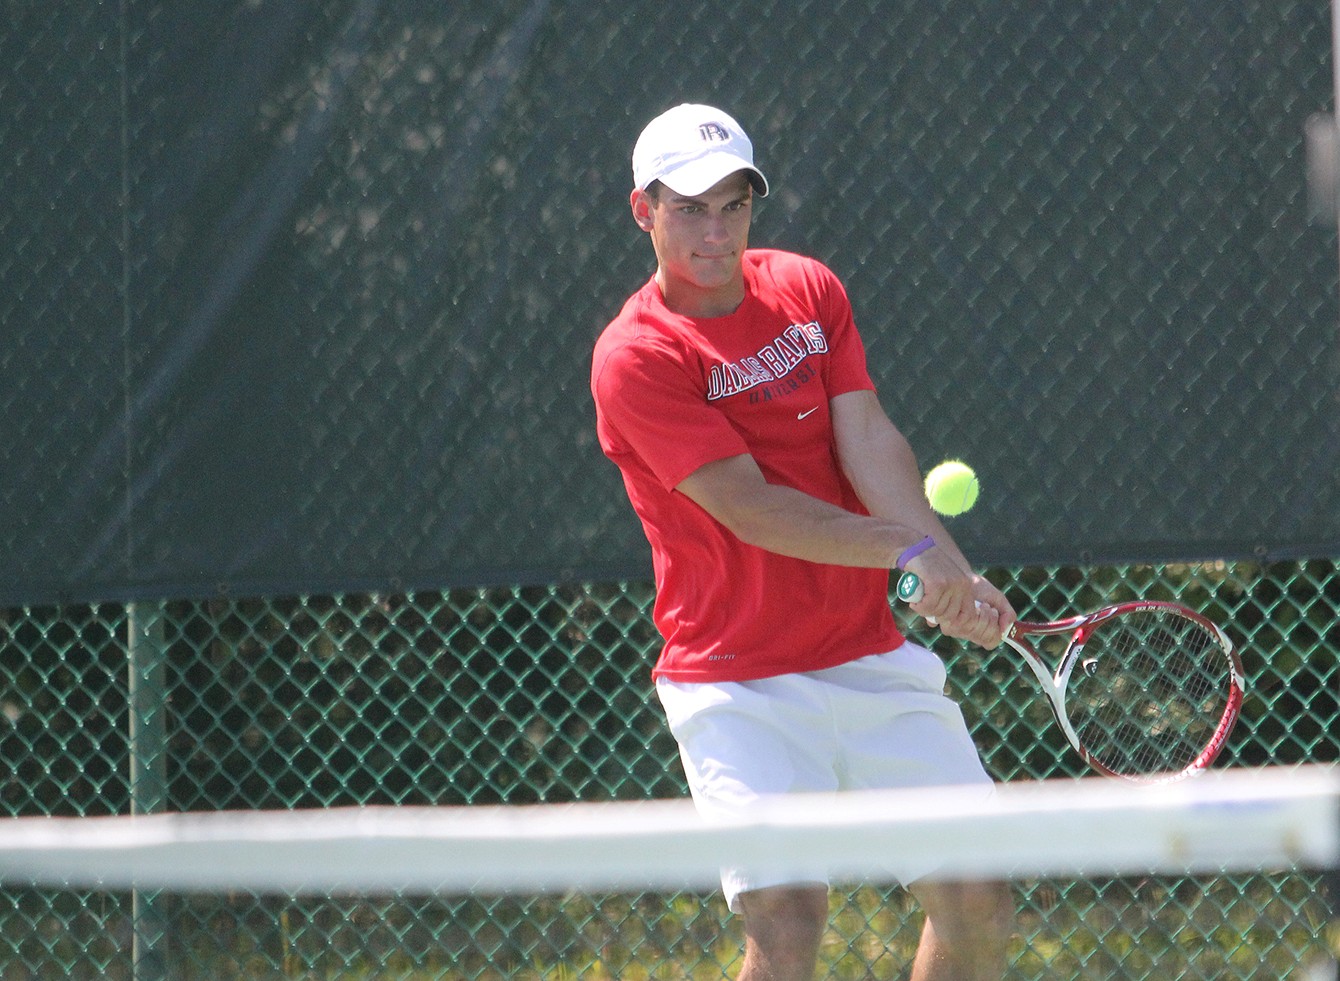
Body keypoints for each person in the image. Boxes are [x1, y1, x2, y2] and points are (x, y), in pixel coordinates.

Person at [590, 103, 1017, 981]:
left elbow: (867, 442)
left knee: (978, 895)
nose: (716, 231)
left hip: (866, 651)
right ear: (645, 210)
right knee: (787, 922)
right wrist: (905, 553)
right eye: (690, 208)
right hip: (735, 680)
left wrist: (953, 568)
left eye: (733, 206)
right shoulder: (636, 355)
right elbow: (753, 508)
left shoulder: (808, 290)